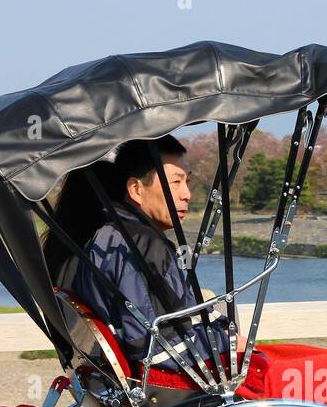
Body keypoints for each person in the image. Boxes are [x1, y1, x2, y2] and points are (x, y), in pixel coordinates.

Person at [63, 135, 231, 373]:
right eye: (175, 182)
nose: (187, 195)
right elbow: (161, 348)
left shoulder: (107, 236)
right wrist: (230, 345)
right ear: (136, 189)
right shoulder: (143, 245)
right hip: (167, 386)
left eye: (188, 182)